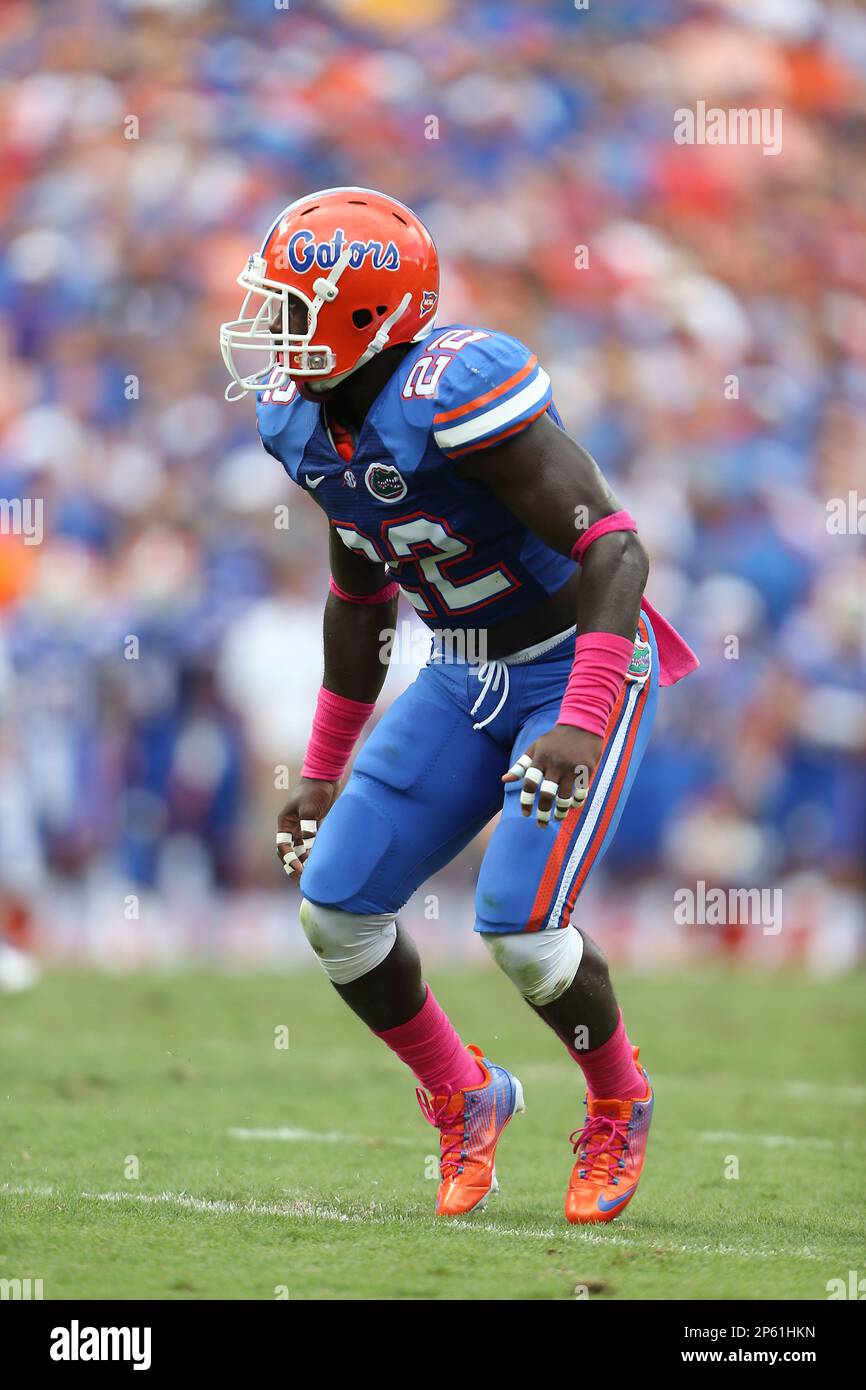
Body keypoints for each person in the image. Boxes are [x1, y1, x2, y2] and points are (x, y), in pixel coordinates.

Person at [220, 187, 697, 1223]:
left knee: (521, 933)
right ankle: (465, 1094)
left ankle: (619, 1098)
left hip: (577, 662)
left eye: (292, 310)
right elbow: (359, 595)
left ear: (366, 318)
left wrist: (576, 718)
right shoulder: (300, 420)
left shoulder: (458, 389)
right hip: (461, 668)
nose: (270, 331)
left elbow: (614, 546)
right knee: (336, 910)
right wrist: (317, 772)